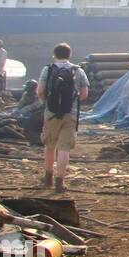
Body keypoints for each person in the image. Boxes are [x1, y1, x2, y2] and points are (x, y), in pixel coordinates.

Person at [35, 43, 89, 194]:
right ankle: (60, 182)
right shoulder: (78, 71)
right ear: (70, 55)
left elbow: (40, 91)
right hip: (70, 113)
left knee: (50, 145)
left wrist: (47, 102)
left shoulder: (48, 69)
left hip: (51, 112)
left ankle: (48, 178)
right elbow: (84, 94)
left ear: (55, 54)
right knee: (64, 148)